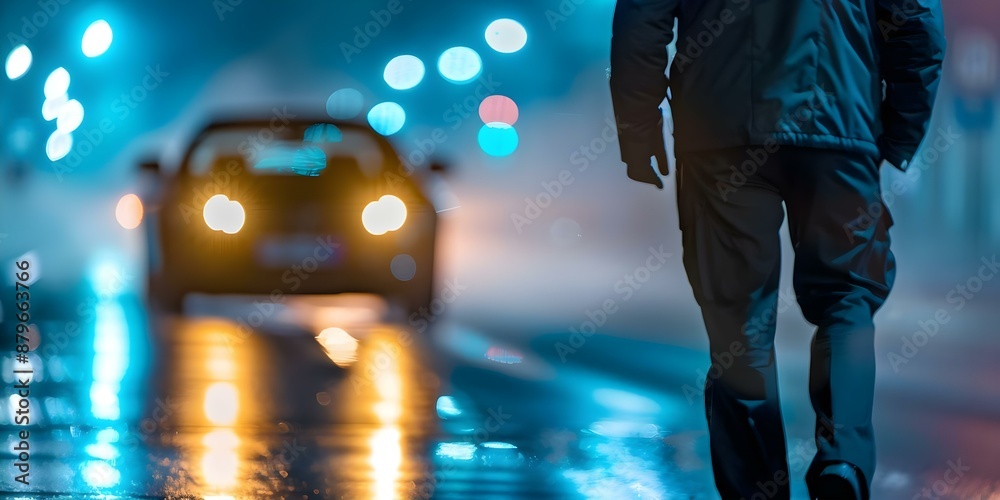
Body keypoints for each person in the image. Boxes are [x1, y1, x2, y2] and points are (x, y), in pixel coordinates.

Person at [609, 0, 945, 499]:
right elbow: (918, 24)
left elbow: (643, 21)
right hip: (840, 129)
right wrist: (897, 130)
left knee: (738, 318)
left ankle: (756, 489)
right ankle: (844, 460)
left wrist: (638, 127)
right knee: (847, 298)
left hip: (722, 135)